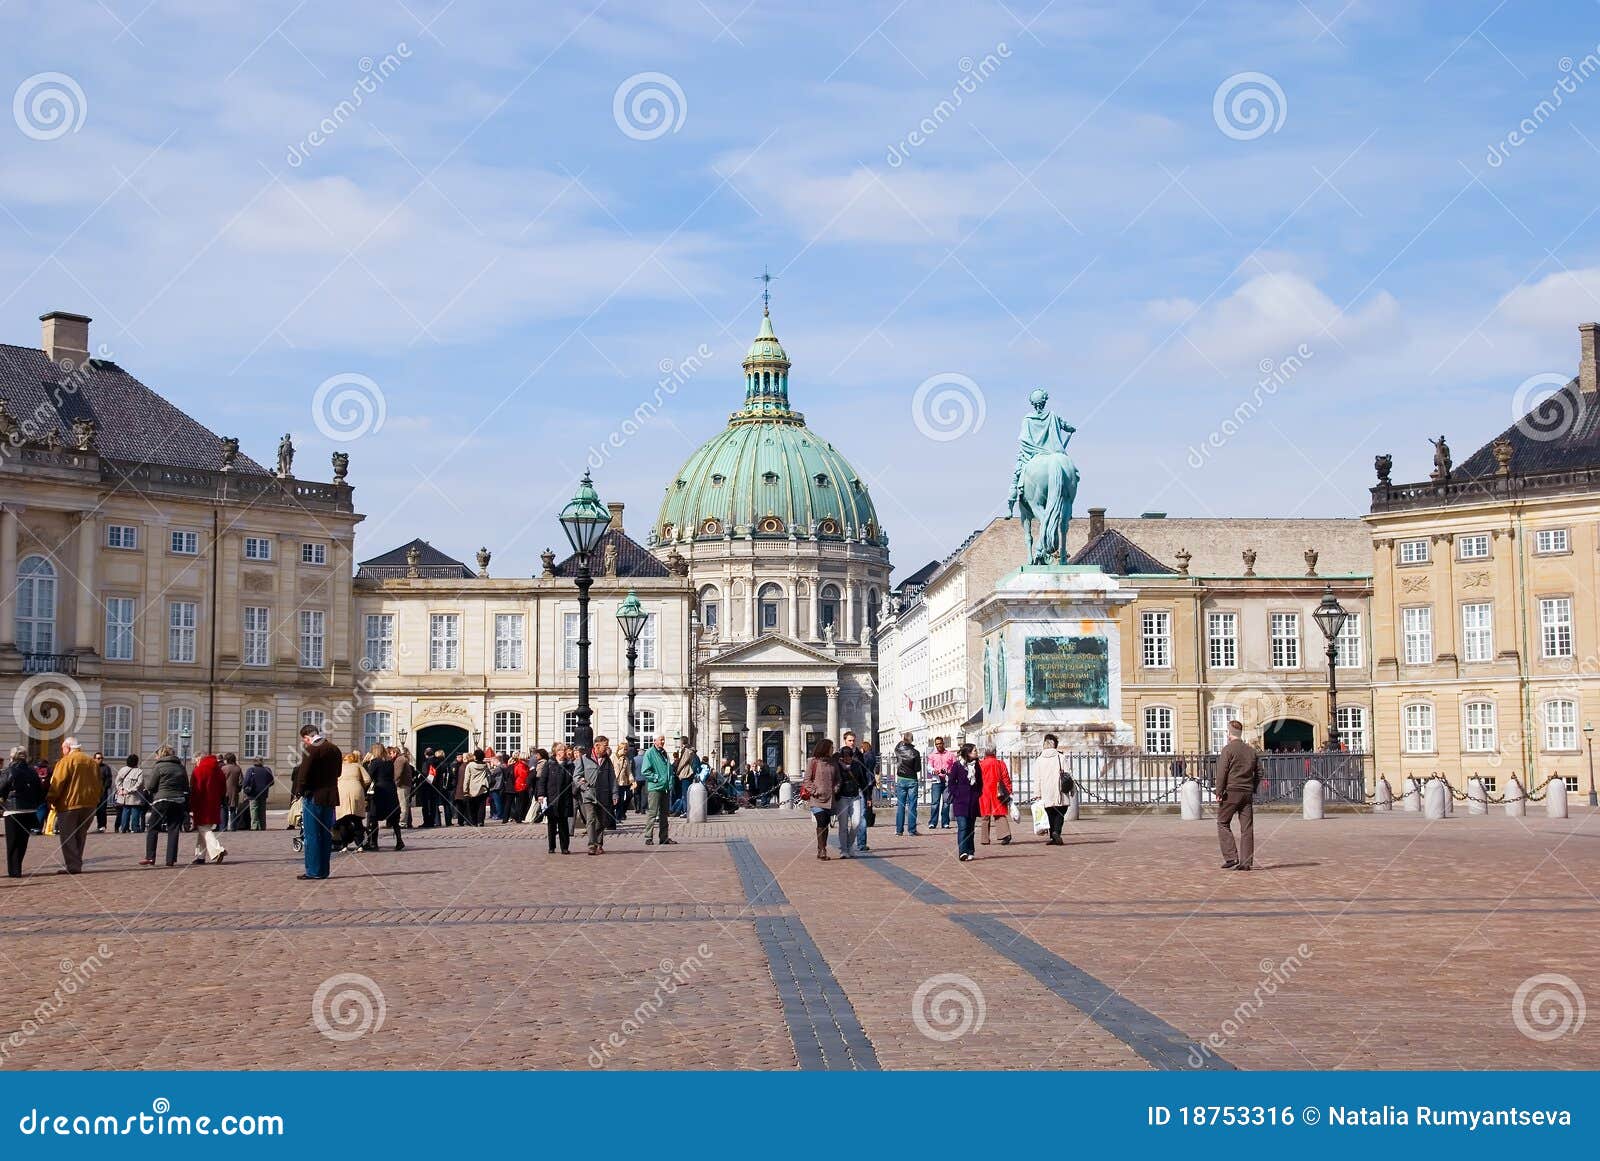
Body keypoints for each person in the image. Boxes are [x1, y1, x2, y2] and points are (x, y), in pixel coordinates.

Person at [292, 724, 342, 880]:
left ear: (307, 737)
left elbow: (303, 774)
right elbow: (339, 772)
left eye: (304, 740)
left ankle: (313, 871)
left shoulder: (311, 749)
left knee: (312, 835)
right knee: (325, 834)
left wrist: (297, 792)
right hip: (330, 797)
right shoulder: (335, 749)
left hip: (313, 796)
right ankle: (324, 870)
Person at [47, 736, 102, 875]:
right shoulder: (92, 762)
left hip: (69, 805)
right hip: (89, 804)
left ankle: (73, 865)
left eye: (63, 748)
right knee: (80, 835)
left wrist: (51, 799)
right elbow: (99, 785)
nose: (62, 751)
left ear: (68, 747)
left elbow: (57, 783)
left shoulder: (65, 761)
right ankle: (77, 863)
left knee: (68, 836)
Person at [1215, 719, 1260, 872]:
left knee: (1222, 822)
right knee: (1247, 828)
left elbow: (1222, 772)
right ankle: (1246, 862)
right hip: (1247, 793)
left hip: (1231, 792)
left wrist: (1219, 791)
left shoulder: (1228, 750)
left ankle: (1231, 856)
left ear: (1229, 734)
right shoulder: (1251, 751)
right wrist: (1253, 787)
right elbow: (1260, 772)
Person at [139, 746, 190, 868]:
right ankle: (170, 859)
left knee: (153, 827)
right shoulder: (181, 767)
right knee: (173, 829)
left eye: (156, 755)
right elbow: (186, 786)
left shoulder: (159, 766)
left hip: (162, 800)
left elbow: (151, 786)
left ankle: (150, 857)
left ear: (161, 755)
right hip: (178, 801)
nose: (155, 757)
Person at [1, 748, 43, 877]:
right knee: (22, 841)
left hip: (13, 810)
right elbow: (40, 791)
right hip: (29, 810)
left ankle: (14, 871)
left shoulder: (9, 771)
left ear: (12, 757)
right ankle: (17, 867)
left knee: (13, 842)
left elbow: (1, 787)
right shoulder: (32, 771)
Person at [573, 738, 616, 855]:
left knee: (601, 821)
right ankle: (592, 845)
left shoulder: (607, 760)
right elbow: (576, 776)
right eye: (605, 746)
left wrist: (615, 793)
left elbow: (612, 778)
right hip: (588, 794)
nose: (606, 748)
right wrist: (583, 786)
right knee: (591, 819)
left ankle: (599, 844)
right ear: (597, 746)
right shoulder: (584, 758)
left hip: (603, 794)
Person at [803, 739, 841, 861]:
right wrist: (815, 791)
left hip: (830, 798)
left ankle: (822, 847)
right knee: (821, 821)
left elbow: (838, 779)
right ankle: (822, 849)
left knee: (825, 824)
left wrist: (835, 788)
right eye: (831, 748)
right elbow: (807, 780)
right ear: (825, 748)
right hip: (817, 799)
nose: (833, 750)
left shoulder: (833, 763)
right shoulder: (812, 762)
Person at [188, 754, 228, 865]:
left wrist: (191, 805)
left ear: (198, 759)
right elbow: (223, 789)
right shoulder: (218, 770)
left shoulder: (198, 770)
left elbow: (195, 789)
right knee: (204, 829)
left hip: (201, 804)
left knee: (203, 828)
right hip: (214, 803)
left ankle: (218, 849)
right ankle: (200, 856)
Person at [363, 745, 404, 851]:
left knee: (374, 816)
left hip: (379, 790)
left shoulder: (375, 762)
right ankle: (399, 840)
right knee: (394, 817)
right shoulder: (389, 762)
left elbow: (369, 776)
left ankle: (374, 843)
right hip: (390, 789)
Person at [1033, 733, 1072, 845]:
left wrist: (1037, 794)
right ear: (1055, 744)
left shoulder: (1039, 759)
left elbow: (1037, 779)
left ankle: (1053, 836)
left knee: (1050, 813)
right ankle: (1056, 832)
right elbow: (1068, 775)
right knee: (1061, 811)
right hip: (1059, 791)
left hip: (1046, 792)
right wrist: (1072, 789)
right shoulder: (1061, 757)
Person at [832, 735, 865, 859]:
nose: (848, 760)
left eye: (850, 758)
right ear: (841, 758)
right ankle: (844, 850)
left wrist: (867, 792)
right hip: (842, 797)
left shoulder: (856, 765)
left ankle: (849, 845)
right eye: (846, 758)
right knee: (843, 825)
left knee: (856, 822)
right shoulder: (837, 766)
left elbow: (862, 779)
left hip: (855, 796)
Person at [534, 746, 572, 854]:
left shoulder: (569, 765)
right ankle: (551, 846)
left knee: (563, 824)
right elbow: (542, 780)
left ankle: (564, 847)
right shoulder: (549, 764)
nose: (563, 752)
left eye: (564, 750)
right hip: (552, 797)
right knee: (551, 824)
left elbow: (574, 778)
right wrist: (541, 794)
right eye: (561, 750)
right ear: (556, 752)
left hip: (565, 798)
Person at [948, 743, 982, 861]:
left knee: (970, 828)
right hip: (960, 801)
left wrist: (977, 794)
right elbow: (951, 782)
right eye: (974, 750)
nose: (976, 752)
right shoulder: (957, 765)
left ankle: (970, 850)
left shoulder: (977, 765)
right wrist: (957, 793)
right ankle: (962, 852)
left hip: (972, 801)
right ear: (968, 753)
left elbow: (980, 782)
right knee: (962, 826)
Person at [641, 734, 676, 846]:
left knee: (664, 814)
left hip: (665, 788)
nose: (663, 742)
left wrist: (670, 782)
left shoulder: (664, 753)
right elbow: (645, 770)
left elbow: (668, 769)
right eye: (661, 740)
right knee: (652, 813)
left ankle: (664, 837)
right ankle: (648, 837)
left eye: (663, 740)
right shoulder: (650, 753)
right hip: (655, 787)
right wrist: (657, 778)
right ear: (654, 741)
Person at [977, 747, 1013, 846]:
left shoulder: (980, 764)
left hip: (984, 792)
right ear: (995, 752)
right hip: (998, 791)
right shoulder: (1000, 763)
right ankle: (1005, 834)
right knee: (1000, 814)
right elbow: (1005, 778)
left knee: (985, 815)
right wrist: (1009, 790)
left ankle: (985, 839)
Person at [891, 732, 922, 837]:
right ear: (912, 740)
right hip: (912, 779)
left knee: (901, 806)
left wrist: (902, 741)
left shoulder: (899, 750)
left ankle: (899, 830)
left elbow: (897, 746)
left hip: (901, 779)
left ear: (903, 740)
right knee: (912, 805)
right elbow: (918, 768)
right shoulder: (915, 752)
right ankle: (912, 830)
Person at [925, 737, 955, 830]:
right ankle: (933, 822)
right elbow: (929, 767)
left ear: (943, 743)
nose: (938, 745)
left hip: (947, 781)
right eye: (936, 744)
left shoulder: (950, 754)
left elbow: (955, 766)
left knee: (946, 803)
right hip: (936, 780)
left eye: (940, 743)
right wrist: (934, 771)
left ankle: (945, 822)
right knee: (935, 803)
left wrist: (948, 771)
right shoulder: (932, 755)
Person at [115, 755, 145, 833]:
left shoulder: (122, 770)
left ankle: (124, 828)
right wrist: (129, 790)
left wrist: (121, 789)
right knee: (135, 812)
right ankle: (135, 828)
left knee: (125, 811)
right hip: (135, 796)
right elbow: (139, 784)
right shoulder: (139, 771)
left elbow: (117, 781)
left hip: (124, 795)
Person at [242, 759, 274, 830]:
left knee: (254, 810)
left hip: (253, 794)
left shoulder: (251, 770)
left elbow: (246, 782)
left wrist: (245, 789)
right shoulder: (267, 770)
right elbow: (272, 782)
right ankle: (263, 826)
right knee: (262, 811)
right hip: (263, 793)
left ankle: (254, 826)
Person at [460, 750, 490, 827]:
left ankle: (474, 821)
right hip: (483, 788)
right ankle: (481, 821)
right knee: (481, 806)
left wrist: (465, 790)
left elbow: (467, 779)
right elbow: (488, 775)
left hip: (472, 788)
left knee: (472, 806)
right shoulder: (485, 765)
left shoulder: (470, 765)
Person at [219, 753, 243, 832]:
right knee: (233, 810)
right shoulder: (238, 768)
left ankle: (223, 827)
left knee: (223, 809)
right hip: (234, 792)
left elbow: (219, 780)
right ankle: (233, 827)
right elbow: (241, 782)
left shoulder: (223, 768)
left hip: (224, 791)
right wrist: (237, 790)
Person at [612, 741, 632, 824]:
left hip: (623, 782)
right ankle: (612, 816)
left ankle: (618, 817)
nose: (626, 751)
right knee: (615, 800)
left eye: (627, 749)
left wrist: (632, 781)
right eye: (625, 749)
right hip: (614, 782)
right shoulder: (613, 757)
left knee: (622, 800)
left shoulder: (626, 759)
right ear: (620, 749)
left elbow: (629, 772)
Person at [394, 748, 414, 828]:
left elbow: (398, 774)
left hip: (402, 785)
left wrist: (395, 784)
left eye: (391, 753)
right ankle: (407, 822)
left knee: (403, 804)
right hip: (405, 785)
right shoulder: (404, 760)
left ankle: (402, 822)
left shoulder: (400, 760)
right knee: (405, 804)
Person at [93, 751, 113, 833]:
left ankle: (102, 826)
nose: (100, 760)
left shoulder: (106, 768)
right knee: (93, 810)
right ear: (94, 759)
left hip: (102, 792)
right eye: (98, 758)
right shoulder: (91, 767)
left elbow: (109, 779)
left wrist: (104, 788)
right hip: (93, 792)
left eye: (101, 758)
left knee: (102, 809)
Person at [509, 751, 530, 824]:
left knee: (521, 802)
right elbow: (523, 775)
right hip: (521, 785)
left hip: (520, 784)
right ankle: (519, 817)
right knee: (521, 802)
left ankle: (519, 816)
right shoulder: (521, 765)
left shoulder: (521, 764)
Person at [486, 750, 507, 822]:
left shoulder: (499, 767)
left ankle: (499, 814)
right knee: (496, 801)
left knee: (497, 802)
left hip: (496, 786)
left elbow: (491, 773)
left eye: (492, 761)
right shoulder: (502, 766)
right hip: (498, 786)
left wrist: (490, 767)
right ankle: (496, 814)